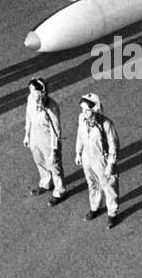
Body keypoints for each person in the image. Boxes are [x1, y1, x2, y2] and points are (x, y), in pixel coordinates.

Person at [75, 93, 120, 229]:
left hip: (102, 160)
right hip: (87, 158)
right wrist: (78, 152)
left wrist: (110, 164)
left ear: (95, 109)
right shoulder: (81, 118)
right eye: (82, 109)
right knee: (92, 184)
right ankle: (95, 207)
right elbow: (80, 135)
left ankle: (112, 213)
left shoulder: (106, 124)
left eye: (87, 109)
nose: (84, 112)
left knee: (109, 186)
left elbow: (114, 145)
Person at [23, 78, 65, 205]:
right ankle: (46, 183)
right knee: (39, 160)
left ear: (42, 92)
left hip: (48, 139)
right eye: (30, 90)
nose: (31, 93)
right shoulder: (30, 99)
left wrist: (53, 150)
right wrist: (27, 135)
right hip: (34, 136)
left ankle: (59, 191)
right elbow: (28, 117)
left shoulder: (51, 107)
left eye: (34, 91)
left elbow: (56, 131)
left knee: (54, 165)